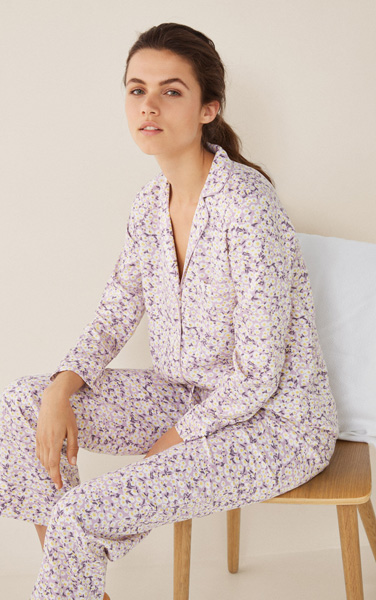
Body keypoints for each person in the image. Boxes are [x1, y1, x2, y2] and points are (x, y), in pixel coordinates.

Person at [0, 22, 338, 600]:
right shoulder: (149, 204)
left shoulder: (247, 207)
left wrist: (177, 438)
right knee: (22, 404)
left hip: (273, 425)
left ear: (209, 109)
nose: (148, 106)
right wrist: (61, 386)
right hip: (185, 395)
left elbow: (260, 374)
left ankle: (71, 580)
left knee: (80, 513)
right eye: (137, 90)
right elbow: (115, 312)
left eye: (171, 91)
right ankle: (83, 588)